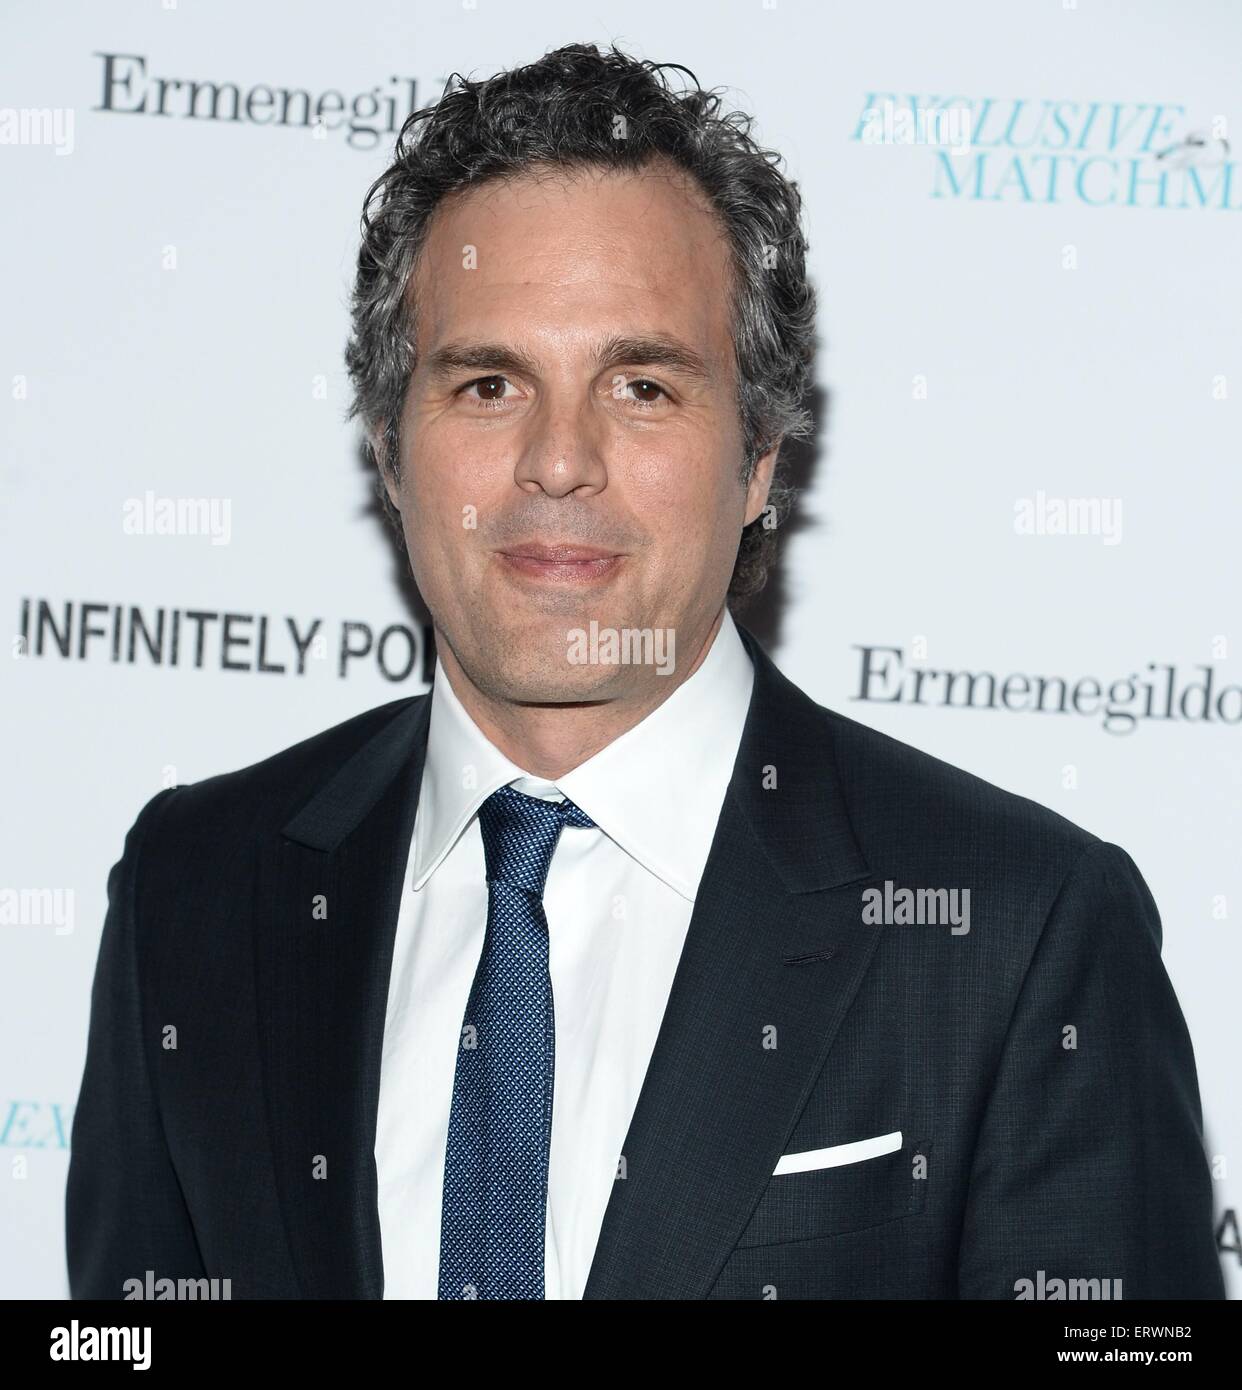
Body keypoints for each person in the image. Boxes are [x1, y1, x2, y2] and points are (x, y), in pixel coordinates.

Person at [66, 42, 1223, 1301]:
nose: (559, 461)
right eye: (490, 381)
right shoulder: (194, 891)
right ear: (393, 450)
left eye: (643, 385)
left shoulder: (1020, 930)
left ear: (763, 458)